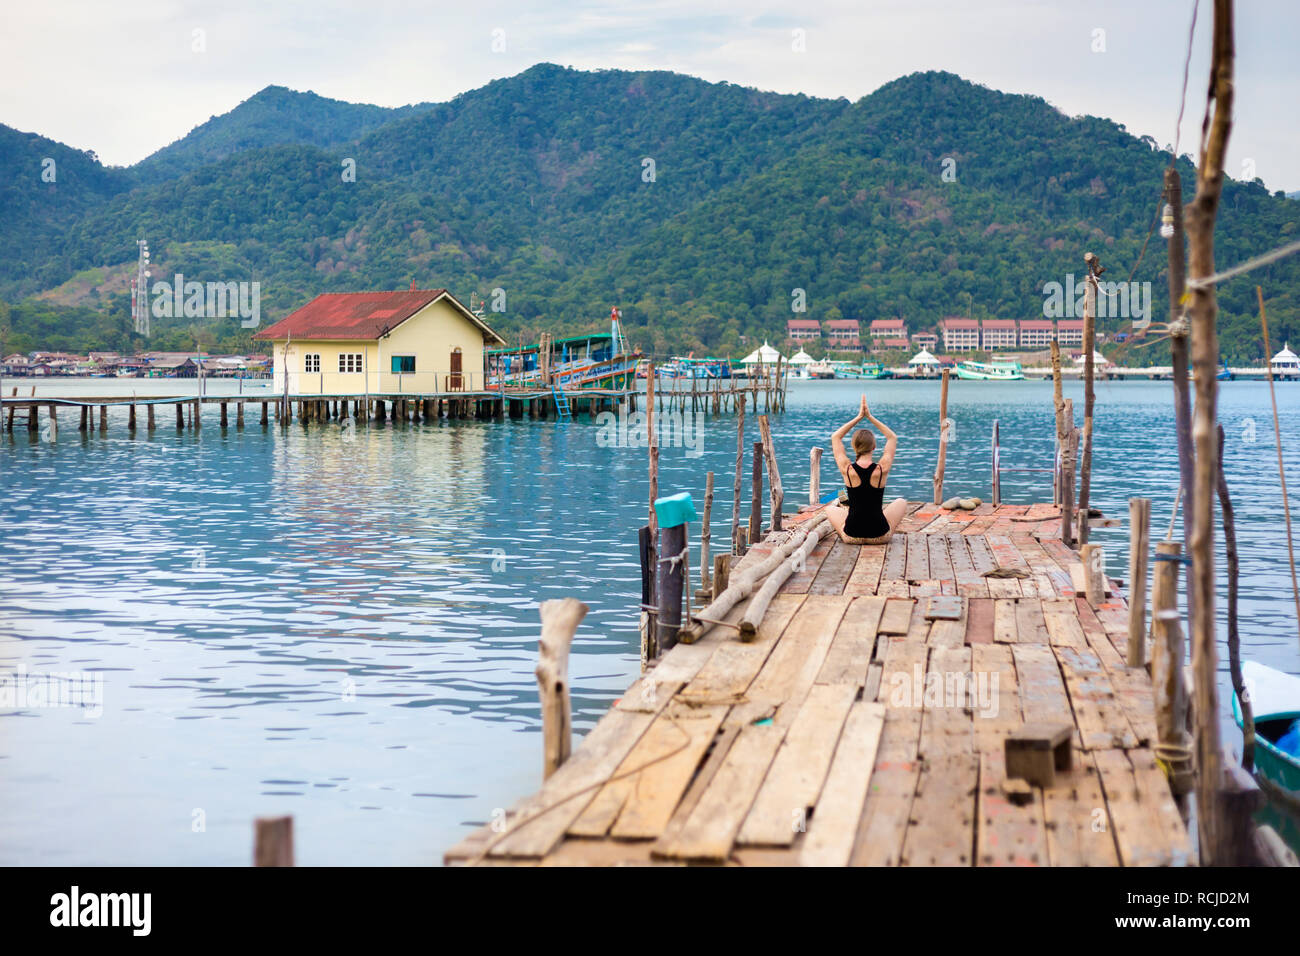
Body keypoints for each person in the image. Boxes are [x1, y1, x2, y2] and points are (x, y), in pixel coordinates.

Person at [824, 396, 908, 544]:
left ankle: (851, 522)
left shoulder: (847, 469)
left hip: (852, 536)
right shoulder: (881, 469)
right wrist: (870, 417)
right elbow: (892, 437)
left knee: (830, 509)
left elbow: (835, 437)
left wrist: (858, 417)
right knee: (901, 502)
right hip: (880, 536)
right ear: (874, 447)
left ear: (854, 447)